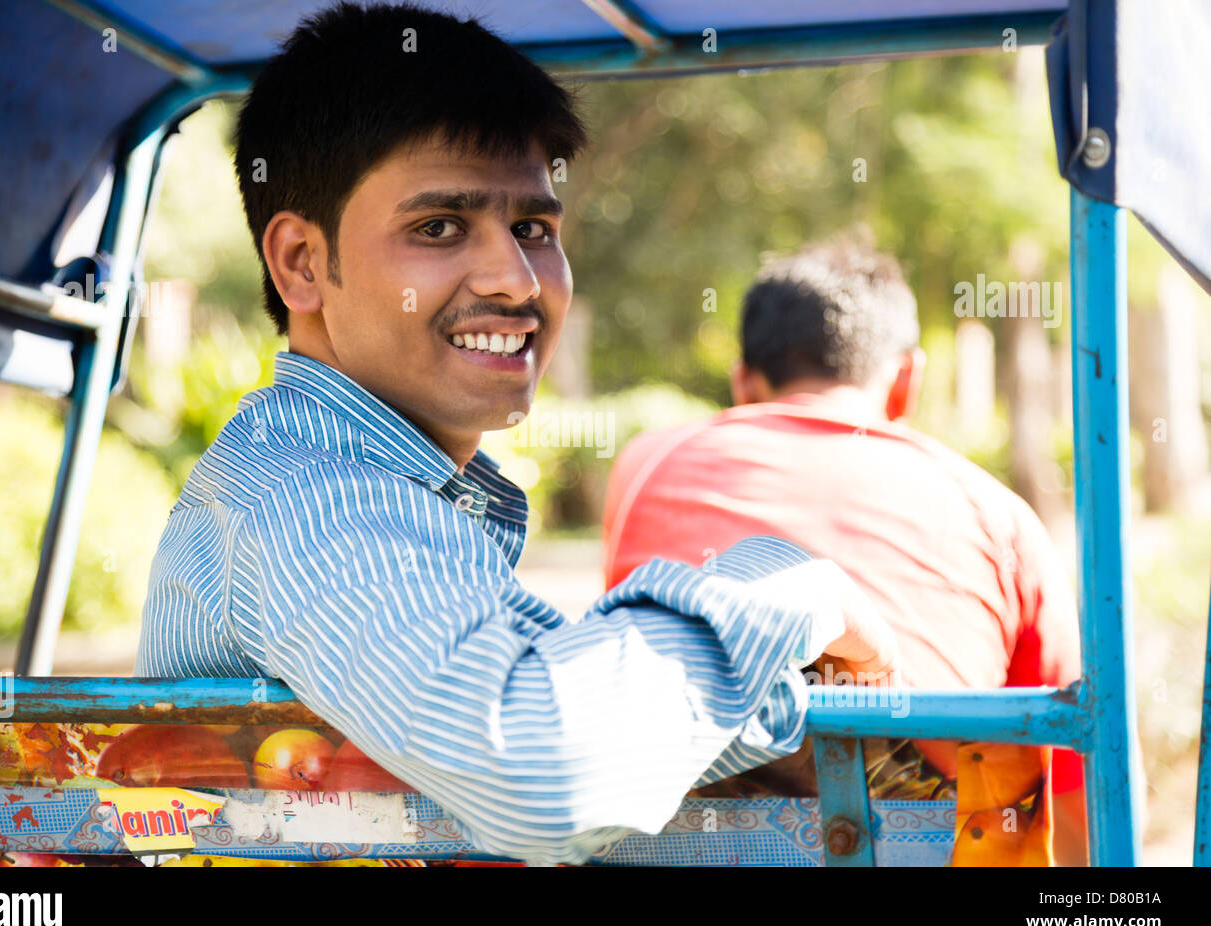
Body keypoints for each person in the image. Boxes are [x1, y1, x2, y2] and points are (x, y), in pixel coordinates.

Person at [136, 2, 899, 865]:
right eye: (438, 227)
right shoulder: (308, 500)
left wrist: (763, 716)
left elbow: (543, 733)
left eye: (533, 229)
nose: (514, 280)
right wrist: (790, 589)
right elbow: (545, 774)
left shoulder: (383, 491)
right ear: (302, 265)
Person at [601, 237, 1088, 864]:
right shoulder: (996, 513)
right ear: (905, 381)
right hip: (922, 839)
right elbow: (1077, 779)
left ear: (743, 383)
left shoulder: (647, 464)